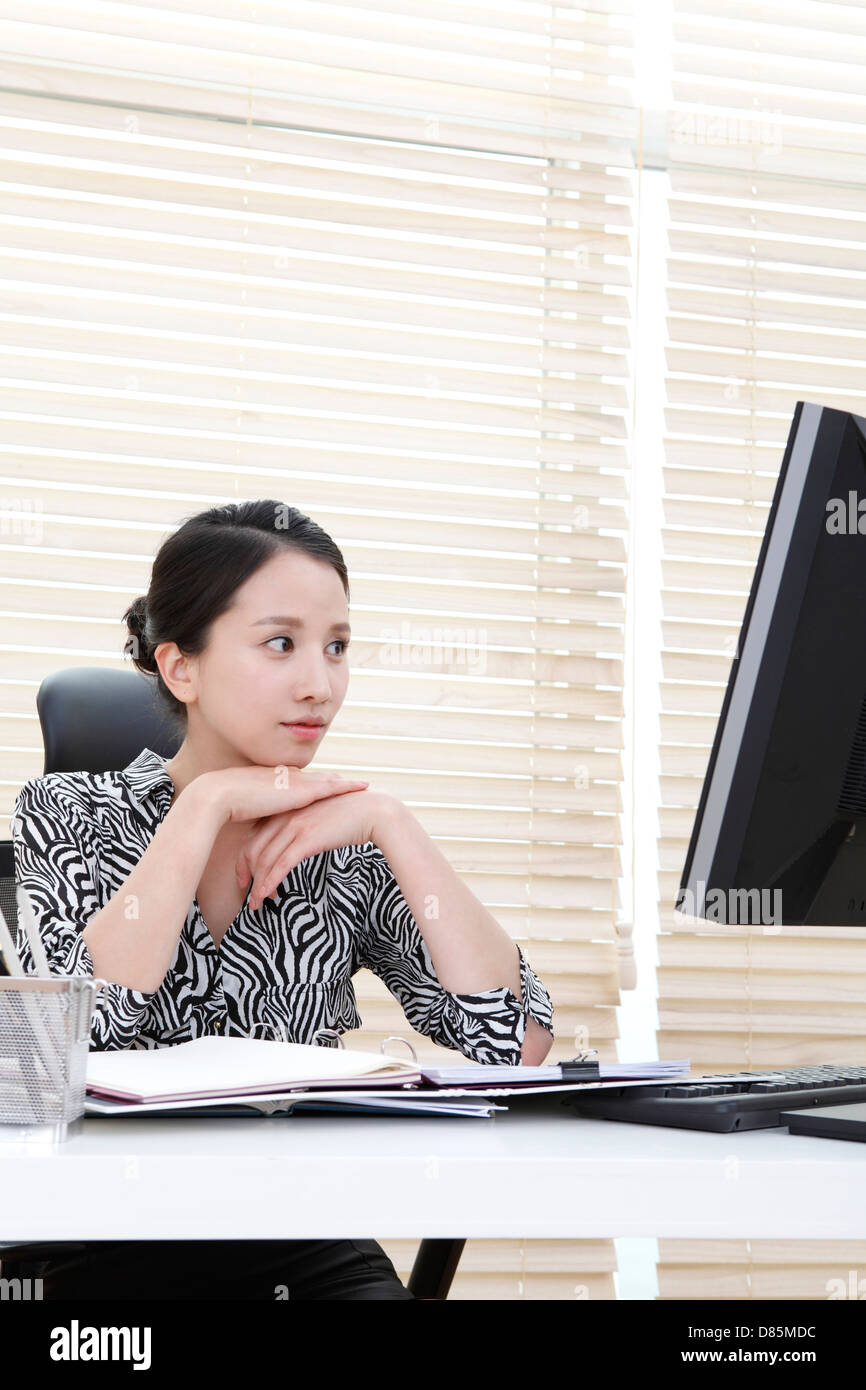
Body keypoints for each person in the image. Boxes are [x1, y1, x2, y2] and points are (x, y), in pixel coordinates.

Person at [12, 499, 555, 1300]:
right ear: (180, 667)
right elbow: (63, 1050)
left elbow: (515, 1046)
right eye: (281, 644)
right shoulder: (67, 812)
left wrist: (393, 825)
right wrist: (199, 810)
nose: (320, 683)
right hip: (103, 1249)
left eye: (337, 648)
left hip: (303, 1245)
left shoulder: (342, 846)